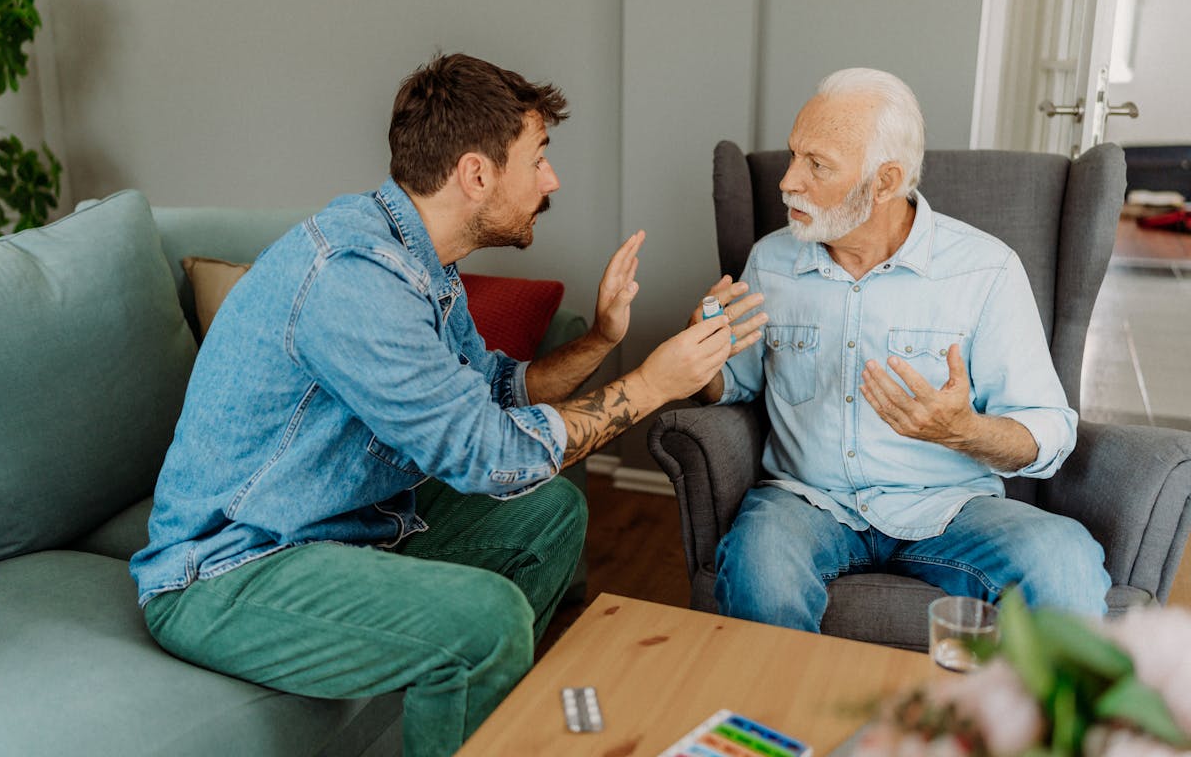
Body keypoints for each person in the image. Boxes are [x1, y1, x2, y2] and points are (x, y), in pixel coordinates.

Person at [129, 53, 733, 757]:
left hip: (335, 527)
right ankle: (467, 684)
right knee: (488, 621)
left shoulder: (421, 261)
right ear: (477, 174)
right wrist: (654, 386)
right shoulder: (356, 282)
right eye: (538, 159)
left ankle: (472, 726)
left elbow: (492, 393)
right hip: (230, 568)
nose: (552, 179)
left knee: (552, 513)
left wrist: (601, 339)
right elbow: (491, 457)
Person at [690, 67, 1111, 633]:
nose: (788, 181)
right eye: (794, 155)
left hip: (951, 509)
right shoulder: (772, 261)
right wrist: (706, 353)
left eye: (817, 165)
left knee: (1064, 560)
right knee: (759, 568)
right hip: (807, 503)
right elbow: (735, 385)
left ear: (884, 182)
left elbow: (1050, 430)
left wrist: (964, 431)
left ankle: (1040, 723)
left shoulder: (986, 270)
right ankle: (774, 719)